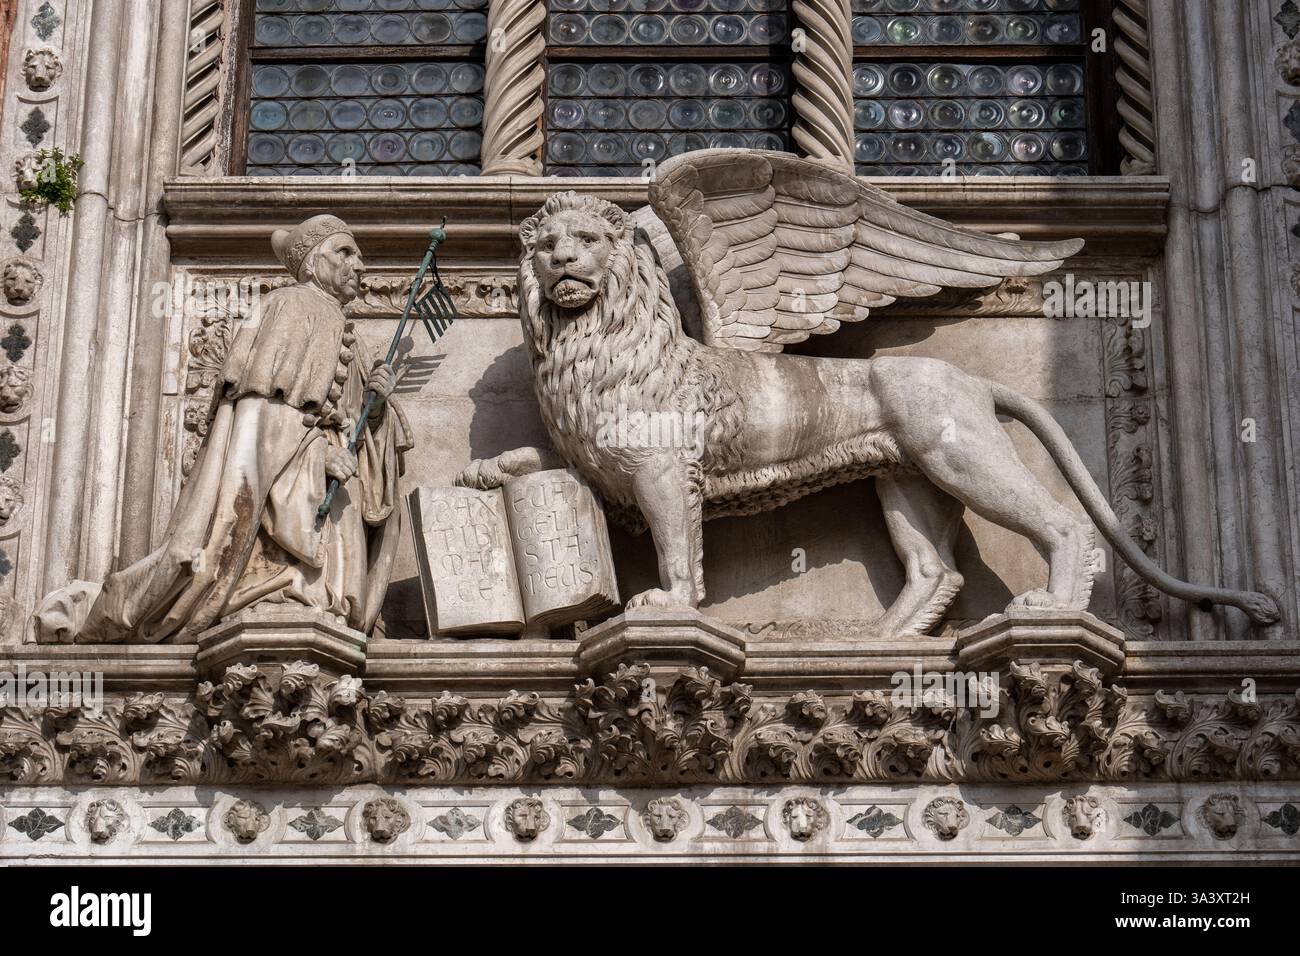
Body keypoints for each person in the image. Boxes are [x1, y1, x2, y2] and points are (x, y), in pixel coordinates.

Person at [34, 215, 412, 643]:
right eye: (344, 252)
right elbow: (261, 417)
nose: (359, 265)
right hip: (294, 484)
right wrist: (316, 456)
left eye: (360, 255)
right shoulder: (289, 305)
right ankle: (271, 593)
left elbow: (357, 428)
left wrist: (376, 410)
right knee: (249, 577)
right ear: (310, 263)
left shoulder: (348, 334)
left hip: (331, 490)